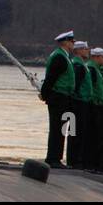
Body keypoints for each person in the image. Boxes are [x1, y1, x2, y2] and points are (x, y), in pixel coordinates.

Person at [39, 30, 77, 167]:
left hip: (62, 96)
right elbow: (51, 79)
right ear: (65, 42)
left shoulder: (63, 56)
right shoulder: (60, 57)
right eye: (72, 42)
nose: (74, 44)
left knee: (61, 128)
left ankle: (56, 157)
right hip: (59, 97)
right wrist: (45, 94)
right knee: (57, 129)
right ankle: (53, 158)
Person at [67, 40, 93, 168]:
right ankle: (74, 160)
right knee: (75, 132)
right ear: (77, 51)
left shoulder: (82, 65)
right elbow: (75, 85)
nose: (87, 51)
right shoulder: (78, 66)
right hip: (78, 103)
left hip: (82, 102)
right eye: (84, 48)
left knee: (79, 132)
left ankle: (77, 159)